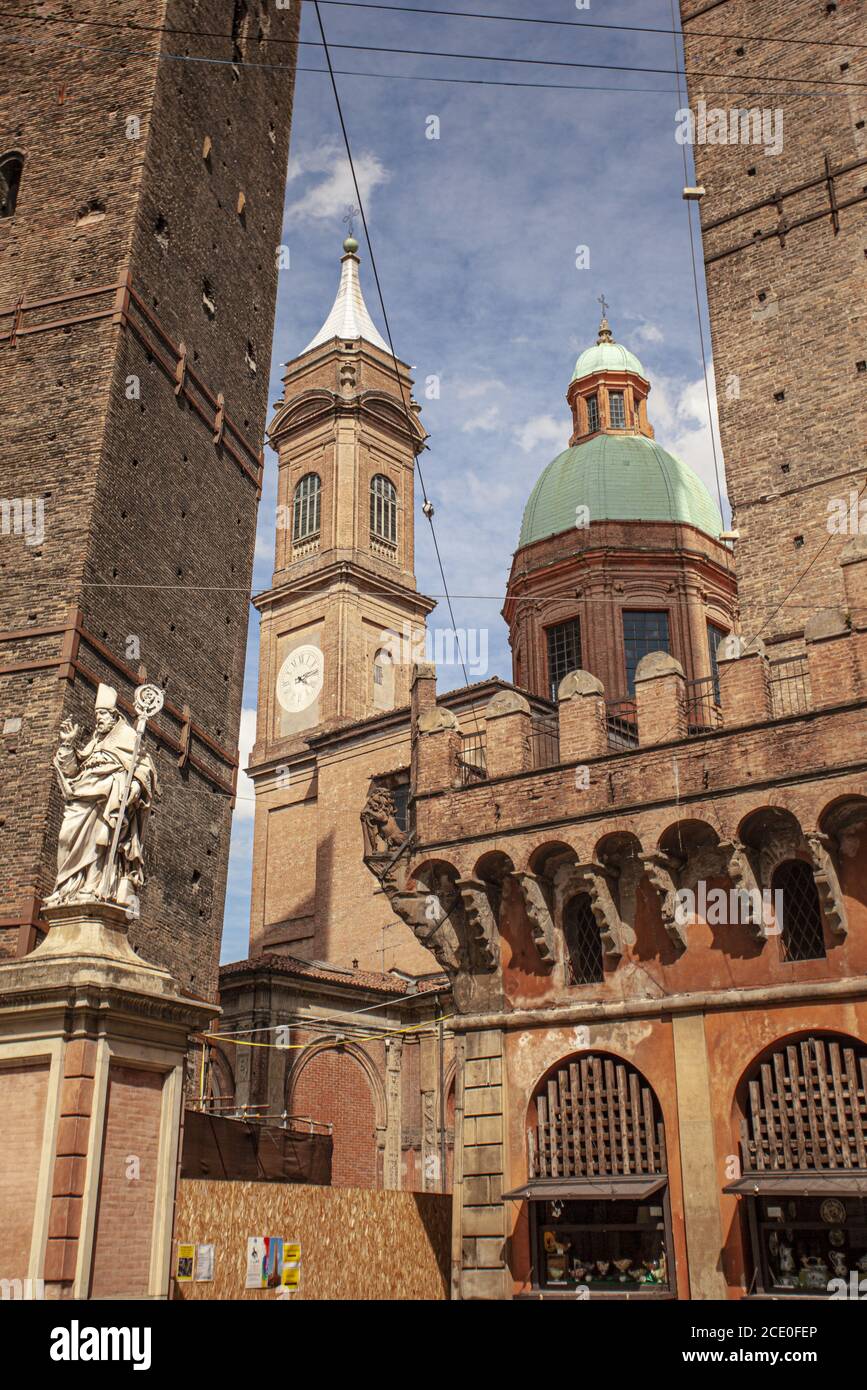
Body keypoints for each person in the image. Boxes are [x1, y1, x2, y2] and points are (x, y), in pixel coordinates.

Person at [45, 683, 159, 906]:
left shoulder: (127, 736)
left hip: (107, 799)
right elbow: (72, 772)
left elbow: (145, 766)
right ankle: (68, 887)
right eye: (97, 715)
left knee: (101, 842)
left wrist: (135, 785)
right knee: (65, 838)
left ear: (114, 715)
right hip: (81, 797)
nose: (99, 719)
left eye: (103, 714)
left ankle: (91, 887)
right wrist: (67, 744)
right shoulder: (95, 742)